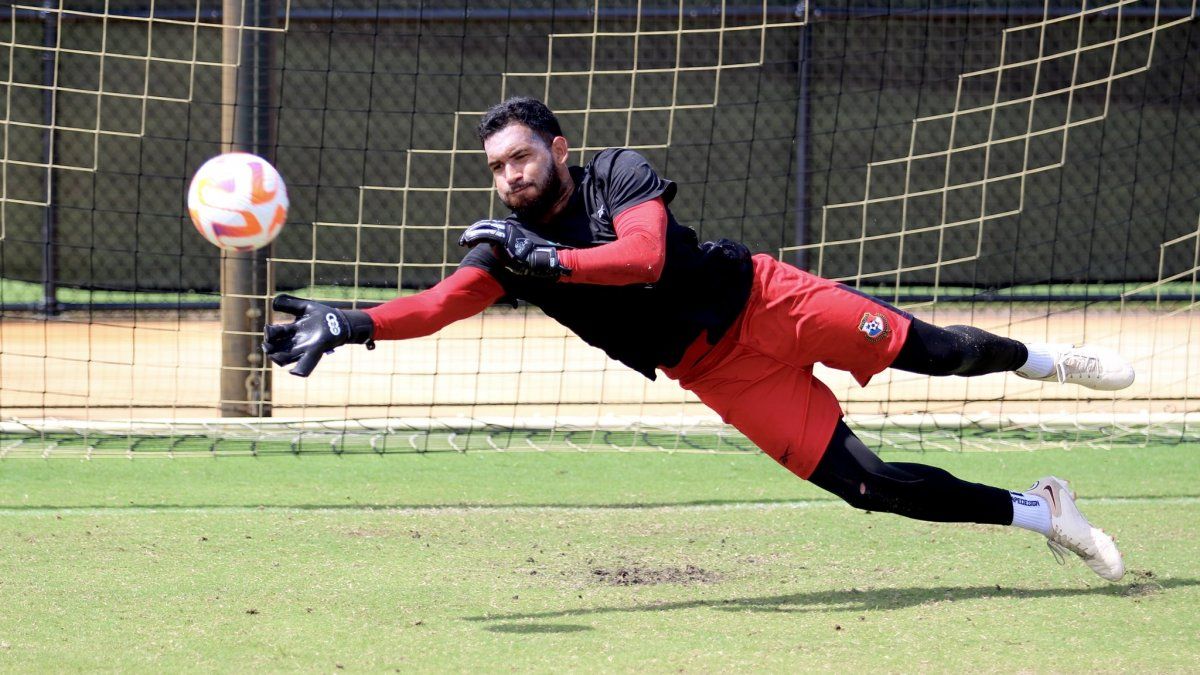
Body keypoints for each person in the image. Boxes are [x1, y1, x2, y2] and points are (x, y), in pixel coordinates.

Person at [264, 96, 1134, 581]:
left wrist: (550, 259)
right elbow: (446, 301)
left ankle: (1058, 363)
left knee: (939, 352)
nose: (509, 175)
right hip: (715, 372)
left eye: (521, 156)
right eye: (496, 166)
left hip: (763, 300)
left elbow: (642, 258)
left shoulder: (616, 172)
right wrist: (352, 323)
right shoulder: (508, 246)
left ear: (558, 149)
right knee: (868, 487)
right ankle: (1041, 510)